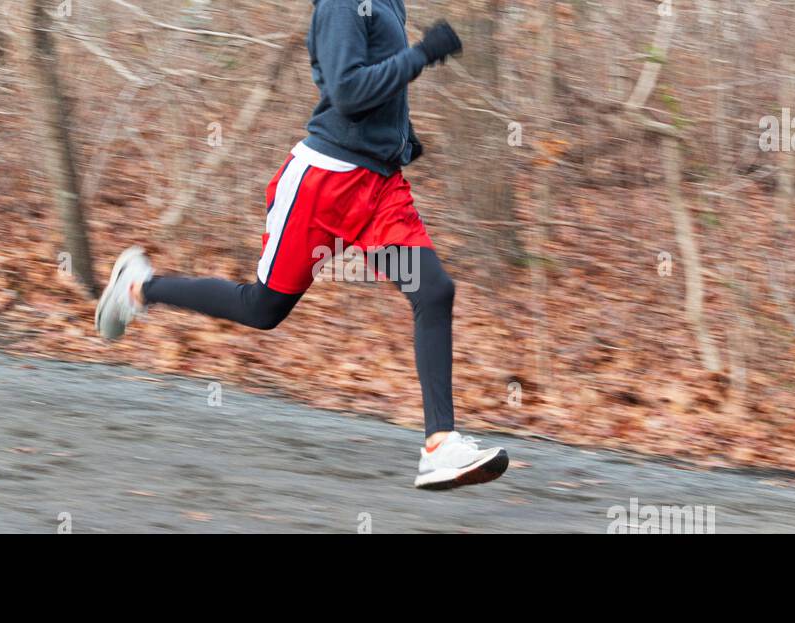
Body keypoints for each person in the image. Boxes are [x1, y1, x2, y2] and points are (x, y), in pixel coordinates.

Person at [96, 0, 508, 490]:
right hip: (323, 184)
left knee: (434, 291)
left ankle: (440, 445)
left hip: (378, 188)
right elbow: (349, 91)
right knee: (263, 308)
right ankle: (141, 288)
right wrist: (423, 54)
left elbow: (376, 94)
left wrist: (400, 139)